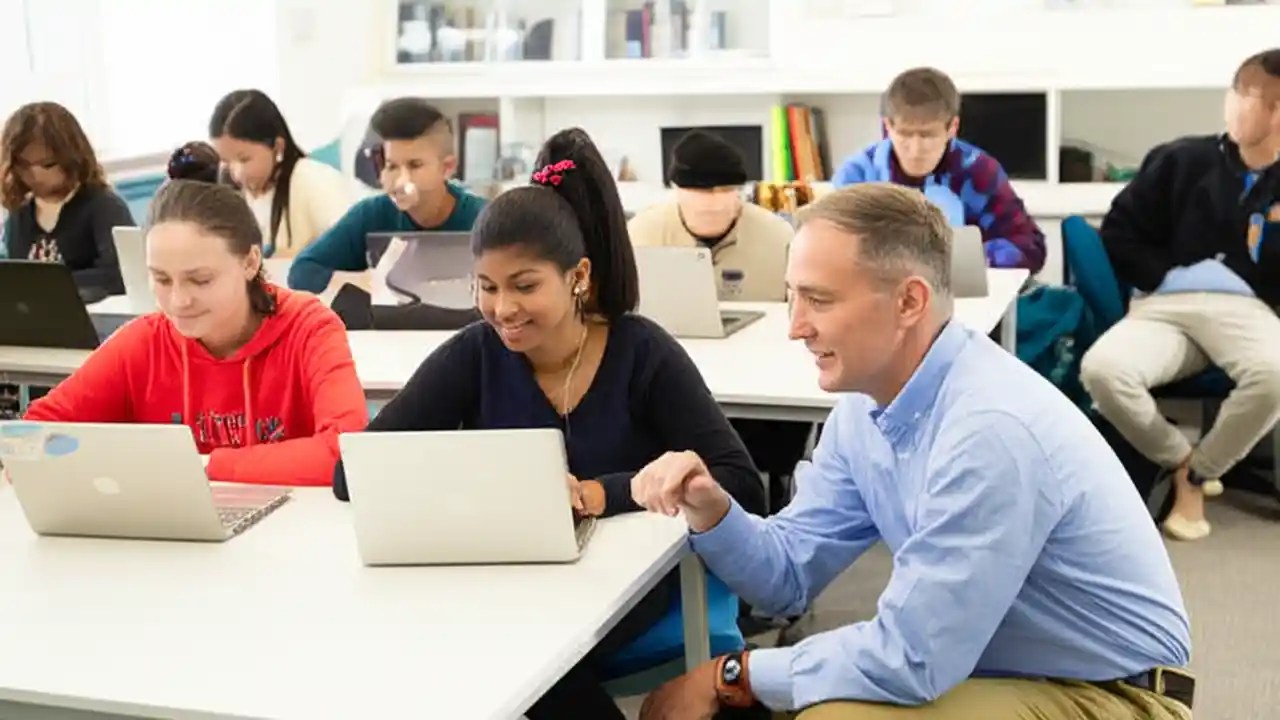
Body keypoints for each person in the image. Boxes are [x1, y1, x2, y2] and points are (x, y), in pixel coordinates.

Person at [630, 184, 1193, 720]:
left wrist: (732, 674)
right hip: (997, 668)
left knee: (831, 714)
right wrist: (711, 509)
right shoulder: (866, 406)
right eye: (791, 296)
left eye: (818, 300)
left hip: (1114, 694)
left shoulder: (989, 430)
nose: (795, 327)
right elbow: (786, 578)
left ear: (909, 302)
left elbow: (913, 657)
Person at [330, 127, 766, 719]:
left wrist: (599, 493)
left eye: (525, 286)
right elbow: (352, 474)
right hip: (512, 587)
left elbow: (744, 485)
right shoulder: (477, 353)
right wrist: (489, 486)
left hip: (623, 588)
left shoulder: (641, 352)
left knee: (520, 661)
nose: (502, 309)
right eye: (485, 287)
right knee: (469, 649)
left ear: (578, 275)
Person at [23, 180, 369, 486]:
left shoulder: (309, 328)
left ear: (249, 263)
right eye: (161, 279)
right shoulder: (144, 341)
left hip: (293, 537)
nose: (178, 300)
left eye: (201, 280)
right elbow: (37, 432)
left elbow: (347, 451)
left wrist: (210, 465)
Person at [1080, 48, 1280, 542]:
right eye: (1247, 96)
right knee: (1103, 370)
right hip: (1164, 306)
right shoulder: (1180, 159)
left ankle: (1197, 475)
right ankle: (1179, 457)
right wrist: (1169, 276)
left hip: (1248, 312)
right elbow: (1120, 235)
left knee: (1276, 373)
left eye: (1269, 103)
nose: (1252, 112)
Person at [831, 67, 1046, 274]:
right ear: (887, 126)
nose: (915, 151)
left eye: (927, 135)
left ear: (952, 127)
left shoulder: (979, 171)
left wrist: (976, 259)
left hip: (961, 299)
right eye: (905, 134)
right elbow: (829, 250)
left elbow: (1030, 247)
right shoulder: (856, 177)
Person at [287, 97, 486, 293]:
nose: (400, 179)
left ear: (447, 168)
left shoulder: (486, 219)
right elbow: (302, 272)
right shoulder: (370, 215)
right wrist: (363, 279)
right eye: (391, 166)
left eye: (415, 165)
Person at [628, 129, 793, 302]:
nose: (713, 203)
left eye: (725, 190)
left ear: (740, 191)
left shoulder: (779, 239)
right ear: (675, 188)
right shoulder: (640, 236)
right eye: (700, 190)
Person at [0, 101, 134, 296]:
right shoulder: (19, 214)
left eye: (48, 164)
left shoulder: (104, 206)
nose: (35, 176)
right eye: (23, 165)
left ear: (72, 157)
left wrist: (49, 283)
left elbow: (119, 276)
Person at [210, 89, 352, 259]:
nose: (236, 174)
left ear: (277, 147)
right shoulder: (231, 195)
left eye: (244, 159)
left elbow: (353, 249)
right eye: (226, 161)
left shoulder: (313, 179)